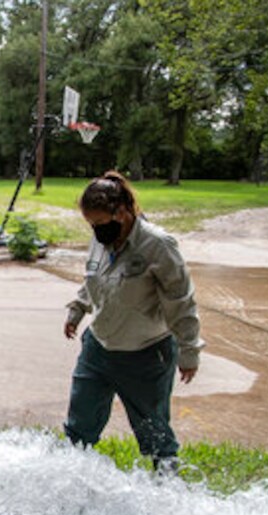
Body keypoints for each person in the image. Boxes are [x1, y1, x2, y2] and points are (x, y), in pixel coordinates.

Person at [63, 171, 204, 475]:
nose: (97, 231)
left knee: (155, 434)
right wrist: (78, 309)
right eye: (91, 224)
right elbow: (92, 277)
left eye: (102, 223)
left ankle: (168, 492)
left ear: (123, 211)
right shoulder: (101, 239)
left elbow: (182, 301)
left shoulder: (158, 246)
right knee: (78, 427)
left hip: (146, 355)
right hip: (98, 347)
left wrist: (189, 351)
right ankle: (70, 487)